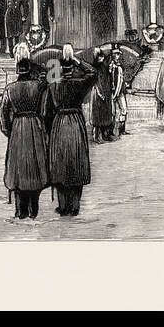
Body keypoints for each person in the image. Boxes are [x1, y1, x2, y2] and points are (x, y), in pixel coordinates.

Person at [42, 44, 98, 217]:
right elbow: (92, 73)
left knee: (59, 164)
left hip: (59, 123)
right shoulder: (79, 83)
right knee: (76, 163)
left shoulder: (54, 85)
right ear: (72, 68)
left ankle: (63, 206)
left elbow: (46, 111)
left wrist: (48, 129)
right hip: (75, 123)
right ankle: (75, 206)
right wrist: (77, 60)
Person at [0, 42, 49, 219]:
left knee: (19, 169)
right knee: (34, 167)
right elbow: (45, 109)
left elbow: (3, 113)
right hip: (35, 127)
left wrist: (9, 131)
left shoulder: (10, 89)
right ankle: (34, 209)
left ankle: (20, 211)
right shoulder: (40, 87)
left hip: (18, 129)